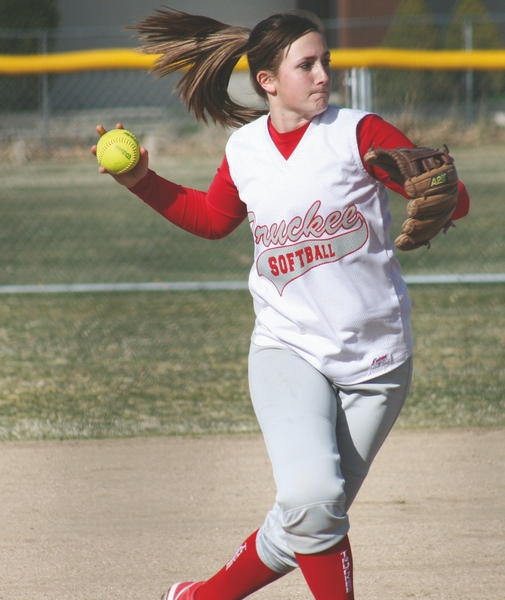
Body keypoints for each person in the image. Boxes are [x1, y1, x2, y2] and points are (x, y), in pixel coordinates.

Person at [92, 9, 469, 600]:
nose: (323, 75)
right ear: (267, 80)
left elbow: (454, 200)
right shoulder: (246, 149)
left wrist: (445, 193)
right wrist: (143, 180)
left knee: (309, 517)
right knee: (312, 500)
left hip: (377, 360)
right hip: (288, 345)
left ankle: (199, 598)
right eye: (306, 65)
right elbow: (212, 219)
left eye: (325, 62)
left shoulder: (360, 133)